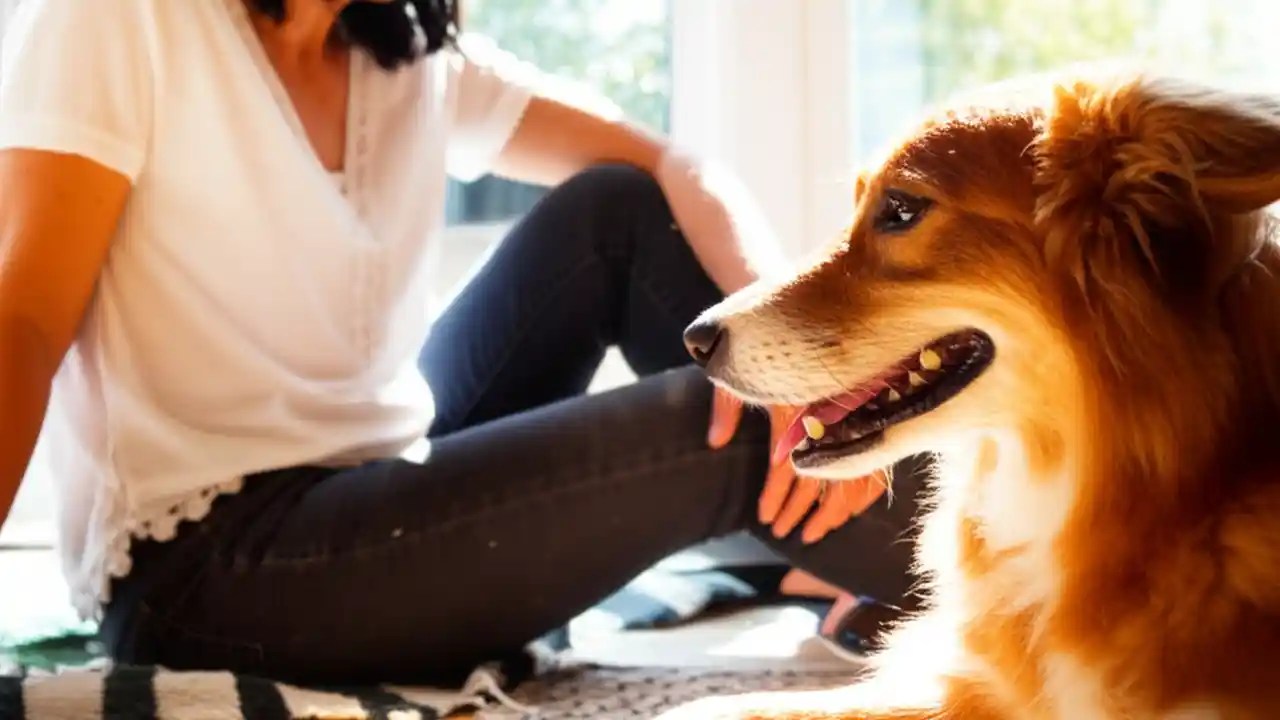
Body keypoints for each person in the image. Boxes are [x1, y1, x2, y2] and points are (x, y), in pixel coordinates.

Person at [0, 0, 925, 685]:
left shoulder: (401, 51)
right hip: (211, 566)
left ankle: (923, 534)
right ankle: (1022, 583)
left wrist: (809, 365)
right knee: (715, 432)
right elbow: (25, 324)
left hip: (374, 480)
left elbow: (679, 164)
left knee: (619, 215)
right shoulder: (121, 22)